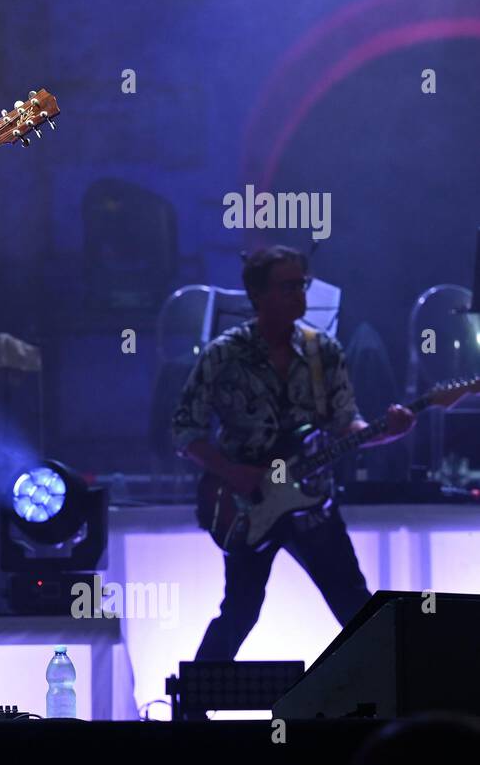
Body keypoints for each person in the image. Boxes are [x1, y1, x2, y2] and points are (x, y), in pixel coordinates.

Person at [171, 245, 415, 662]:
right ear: (258, 295)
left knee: (356, 607)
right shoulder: (224, 354)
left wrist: (385, 432)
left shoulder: (325, 351)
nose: (298, 295)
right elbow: (183, 430)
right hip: (249, 504)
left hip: (312, 502)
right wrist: (232, 472)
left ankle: (395, 708)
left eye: (301, 285)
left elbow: (346, 424)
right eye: (286, 287)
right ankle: (193, 708)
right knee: (241, 611)